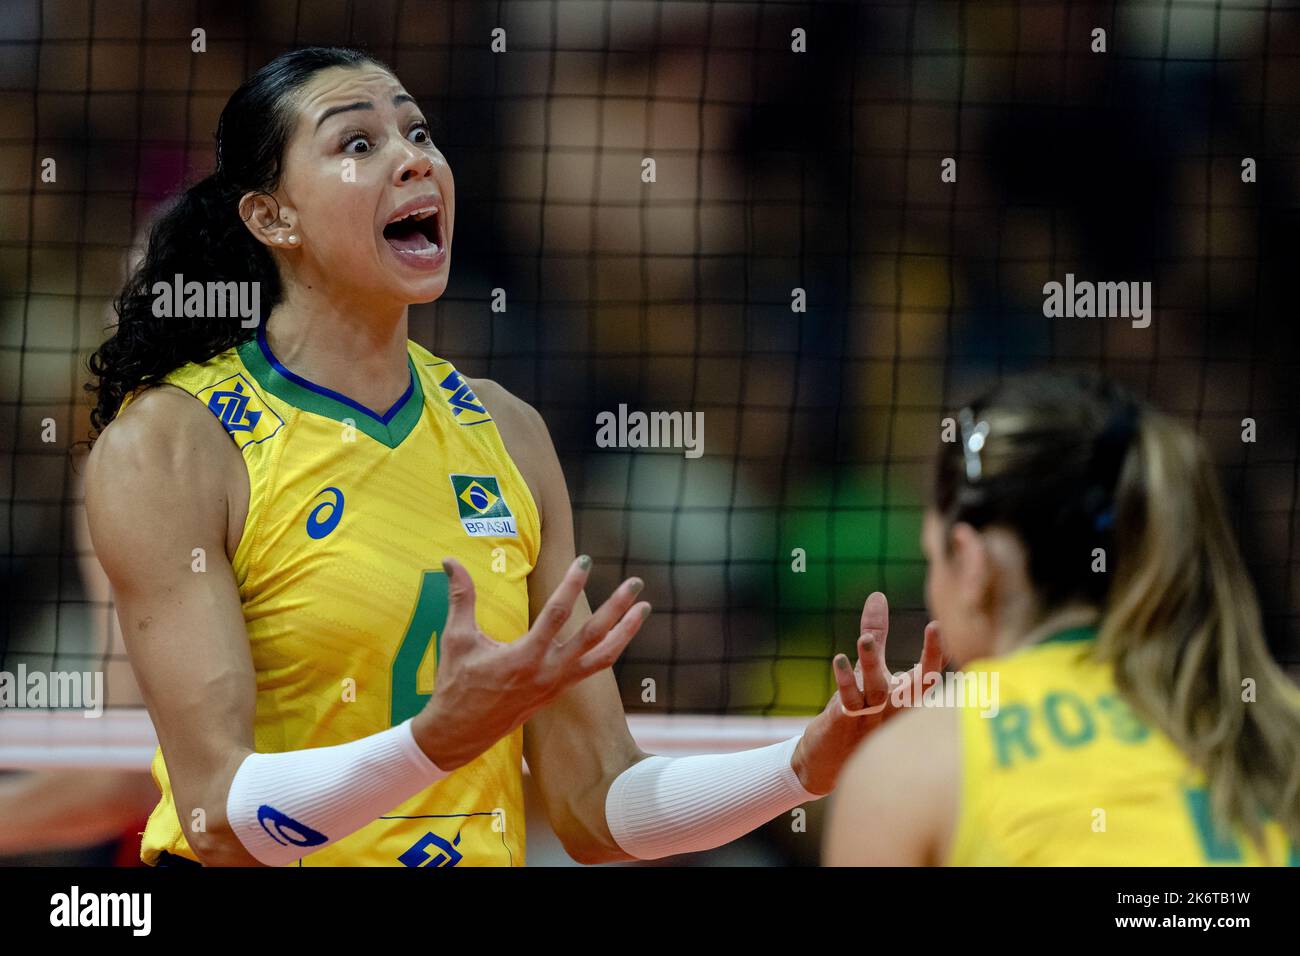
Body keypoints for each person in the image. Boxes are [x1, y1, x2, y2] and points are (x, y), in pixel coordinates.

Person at [84, 47, 939, 867]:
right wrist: (430, 744)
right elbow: (217, 814)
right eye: (357, 142)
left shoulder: (507, 433)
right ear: (273, 217)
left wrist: (801, 766)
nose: (414, 160)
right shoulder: (176, 442)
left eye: (419, 134)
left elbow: (597, 802)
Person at [825, 373, 1300, 865]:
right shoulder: (1275, 722)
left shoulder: (910, 769)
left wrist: (898, 748)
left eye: (932, 557)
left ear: (970, 565)